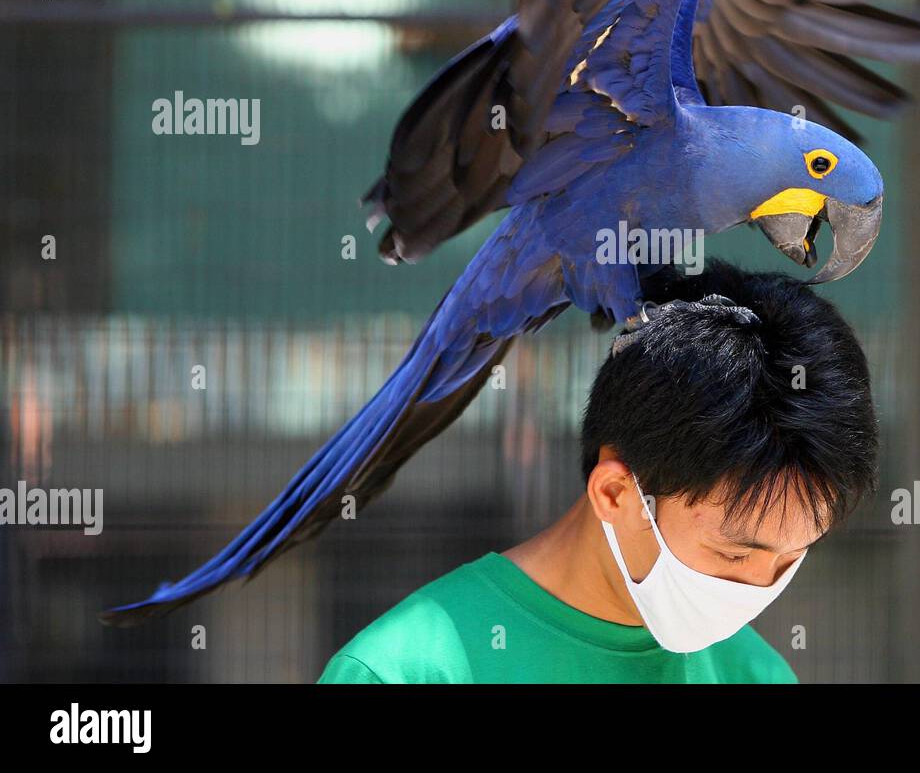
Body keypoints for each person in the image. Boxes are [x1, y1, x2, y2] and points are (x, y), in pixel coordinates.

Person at [317, 260, 879, 683]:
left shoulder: (755, 674)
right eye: (733, 555)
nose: (758, 589)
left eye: (791, 557)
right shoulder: (407, 670)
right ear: (616, 492)